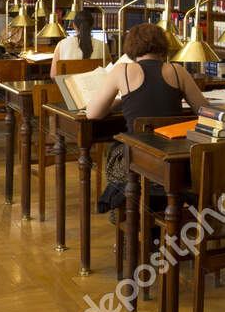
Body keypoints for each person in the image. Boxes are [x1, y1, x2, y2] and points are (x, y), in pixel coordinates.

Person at [85, 22, 207, 213]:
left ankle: (126, 211)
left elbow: (92, 113)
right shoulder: (178, 71)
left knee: (116, 151)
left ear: (131, 46)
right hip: (174, 161)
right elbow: (205, 111)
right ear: (163, 45)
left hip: (138, 159)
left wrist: (120, 100)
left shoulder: (123, 71)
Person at [51, 6, 106, 75]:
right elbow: (108, 71)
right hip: (95, 82)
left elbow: (53, 75)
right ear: (92, 26)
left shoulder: (61, 44)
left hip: (69, 82)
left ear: (74, 26)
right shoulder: (103, 46)